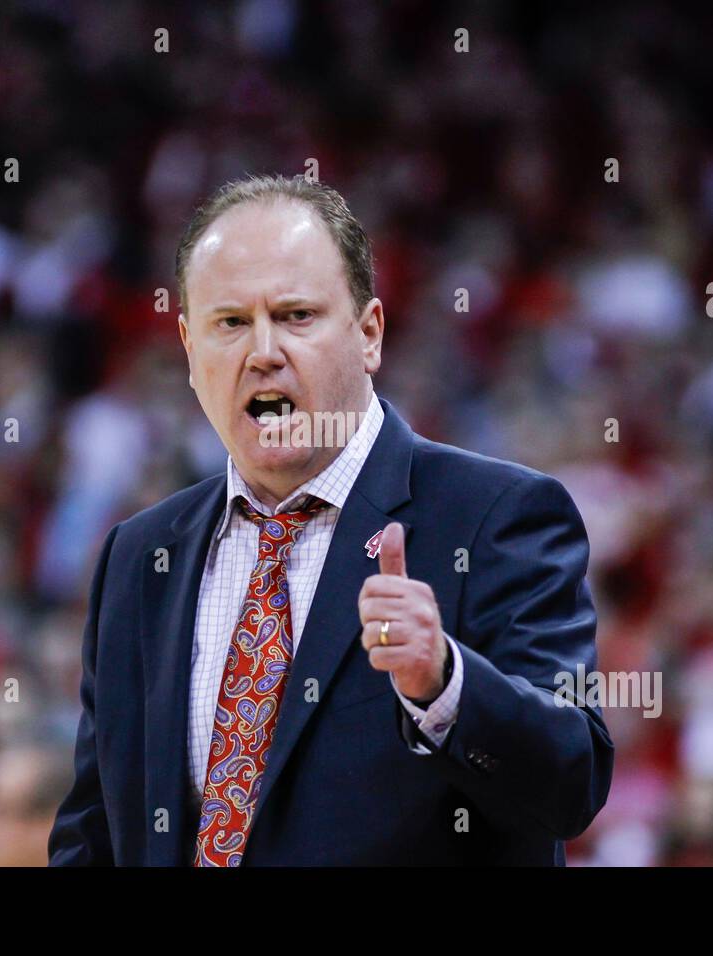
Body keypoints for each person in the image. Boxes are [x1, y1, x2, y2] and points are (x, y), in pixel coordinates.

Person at [48, 174, 613, 866]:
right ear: (190, 350)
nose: (263, 352)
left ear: (369, 334)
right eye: (230, 323)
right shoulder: (139, 557)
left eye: (295, 316)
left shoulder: (498, 516)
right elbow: (94, 833)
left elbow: (573, 781)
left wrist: (444, 685)